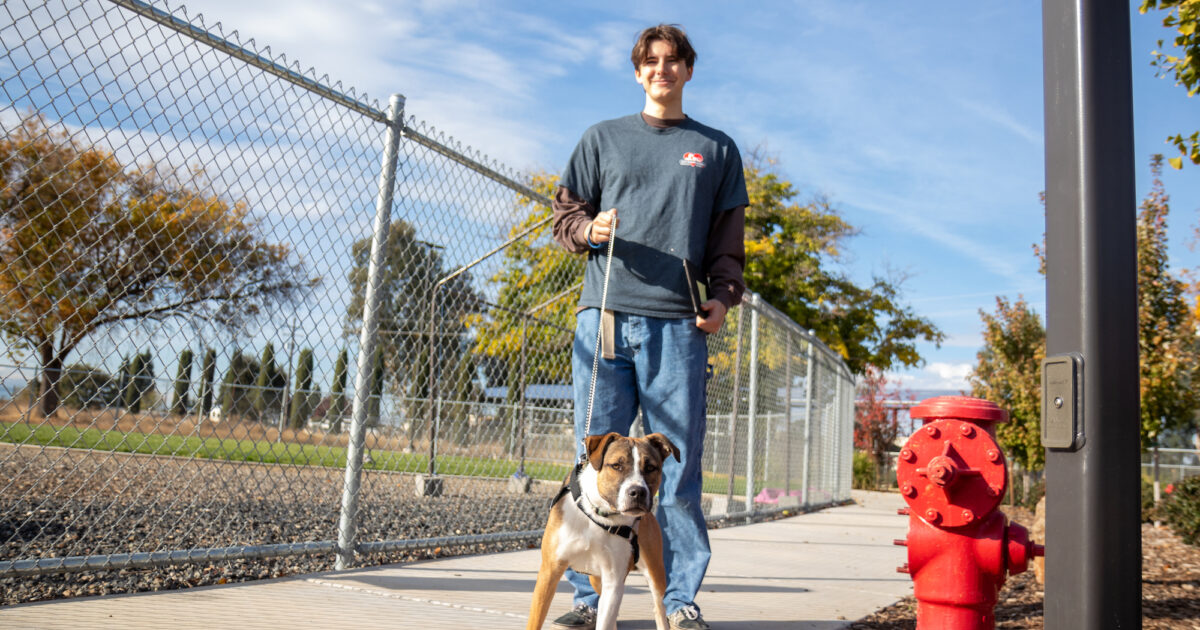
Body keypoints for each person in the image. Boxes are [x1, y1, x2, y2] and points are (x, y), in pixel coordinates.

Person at [549, 24, 748, 630]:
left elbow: (727, 244)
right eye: (651, 61)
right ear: (638, 72)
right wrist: (589, 230)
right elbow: (564, 218)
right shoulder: (601, 139)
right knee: (595, 463)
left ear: (688, 69)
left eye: (673, 60)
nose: (662, 69)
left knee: (678, 470)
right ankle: (588, 600)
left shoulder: (715, 150)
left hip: (679, 327)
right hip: (605, 318)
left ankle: (678, 600)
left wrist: (723, 297)